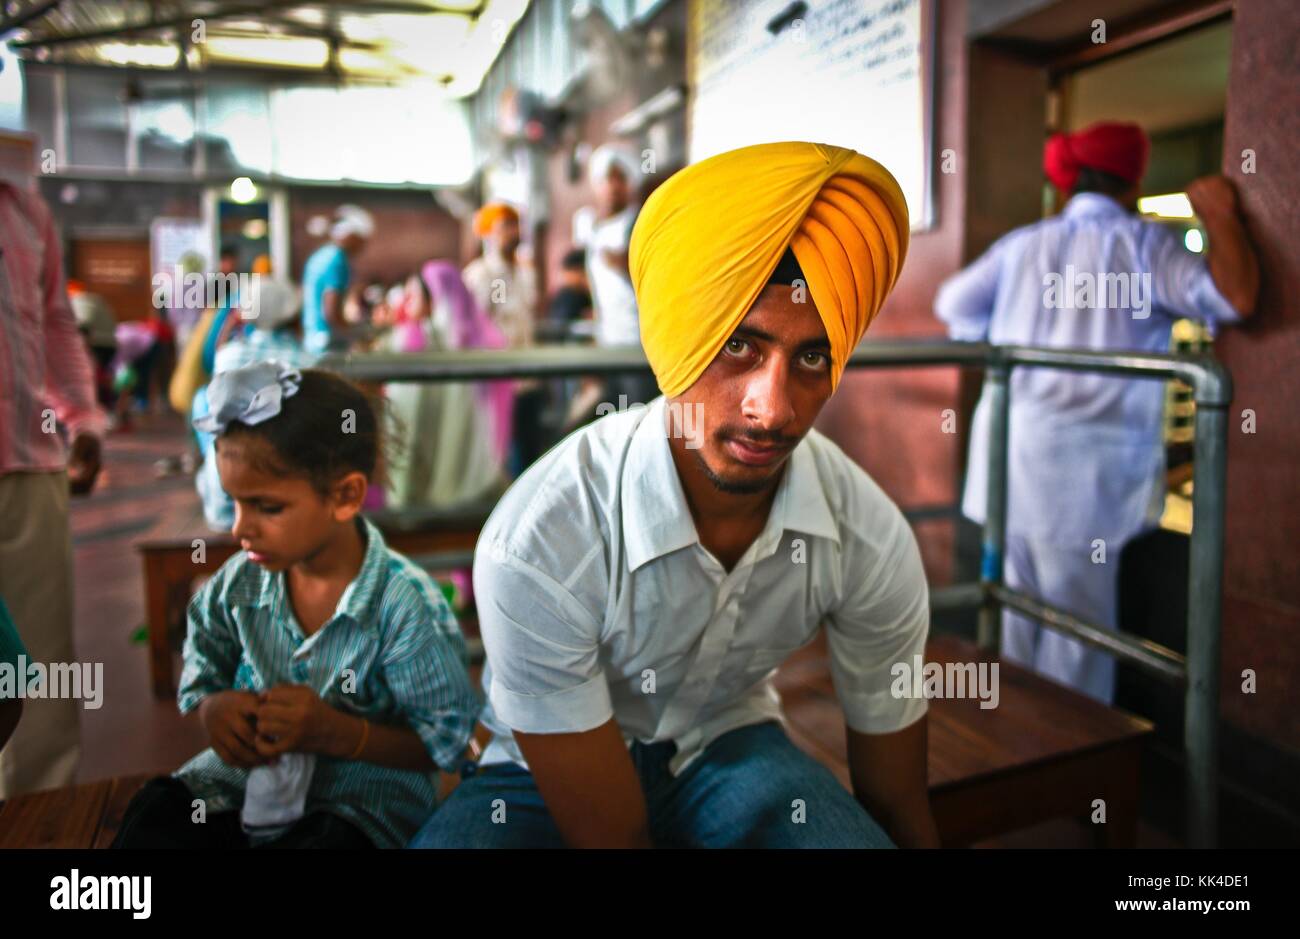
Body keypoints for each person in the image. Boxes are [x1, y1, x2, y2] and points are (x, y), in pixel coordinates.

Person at [411, 141, 938, 849]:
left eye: (812, 356)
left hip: (729, 742)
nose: (772, 409)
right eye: (738, 346)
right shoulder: (542, 539)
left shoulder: (867, 534)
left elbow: (898, 800)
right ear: (678, 342)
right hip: (535, 771)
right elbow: (611, 834)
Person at [934, 121, 1259, 704]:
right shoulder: (1144, 245)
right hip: (1086, 479)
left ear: (1068, 185)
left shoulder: (1023, 245)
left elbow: (952, 303)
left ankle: (1017, 740)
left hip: (1012, 459)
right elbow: (1235, 297)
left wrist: (1003, 333)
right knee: (1078, 640)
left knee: (1015, 616)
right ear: (1132, 185)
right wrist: (1218, 212)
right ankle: (1071, 753)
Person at [111, 363, 480, 849]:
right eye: (234, 502)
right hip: (246, 782)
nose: (241, 528)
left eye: (268, 507)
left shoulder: (404, 606)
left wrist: (338, 733)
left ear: (345, 495)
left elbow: (444, 745)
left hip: (363, 799)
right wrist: (214, 709)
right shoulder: (238, 585)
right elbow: (206, 662)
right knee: (158, 813)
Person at [0, 179, 104, 798]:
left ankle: (39, 825)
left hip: (26, 462)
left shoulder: (23, 206)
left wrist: (82, 418)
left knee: (33, 672)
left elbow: (55, 321)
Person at [383, 261, 512, 511]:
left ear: (434, 299)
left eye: (413, 296)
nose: (406, 303)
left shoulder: (450, 344)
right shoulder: (433, 338)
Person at [192, 277, 316, 530]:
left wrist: (232, 322)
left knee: (203, 399)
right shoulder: (308, 361)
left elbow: (216, 355)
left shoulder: (229, 356)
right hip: (290, 508)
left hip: (227, 506)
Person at [574, 145, 658, 412]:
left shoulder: (638, 223)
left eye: (619, 178)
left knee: (640, 415)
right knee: (613, 417)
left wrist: (625, 263)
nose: (612, 186)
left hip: (639, 347)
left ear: (629, 183)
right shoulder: (595, 230)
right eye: (606, 179)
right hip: (609, 343)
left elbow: (654, 279)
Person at [302, 205, 374, 356]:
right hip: (327, 343)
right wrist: (357, 336)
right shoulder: (337, 260)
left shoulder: (320, 255)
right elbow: (331, 313)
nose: (362, 247)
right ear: (351, 236)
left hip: (312, 339)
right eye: (361, 241)